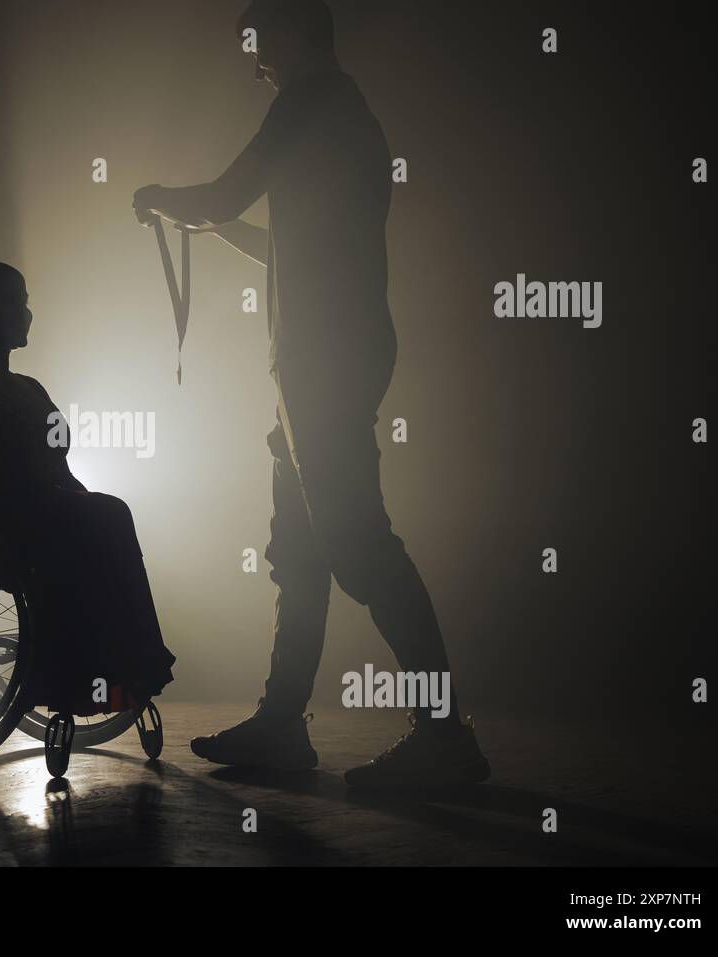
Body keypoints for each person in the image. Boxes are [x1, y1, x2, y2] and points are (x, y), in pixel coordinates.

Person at [132, 0, 488, 787]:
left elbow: (229, 193)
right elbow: (284, 241)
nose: (254, 63)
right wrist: (214, 225)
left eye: (259, 44)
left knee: (359, 544)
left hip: (322, 364)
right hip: (328, 359)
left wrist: (161, 196)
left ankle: (442, 732)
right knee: (301, 551)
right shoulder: (344, 114)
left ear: (295, 34)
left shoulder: (311, 101)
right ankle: (283, 724)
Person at [0, 260, 175, 714]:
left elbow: (59, 469)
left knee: (105, 514)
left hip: (44, 514)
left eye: (26, 302)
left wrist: (83, 499)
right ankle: (90, 677)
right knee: (100, 519)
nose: (25, 313)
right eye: (13, 301)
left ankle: (125, 669)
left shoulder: (29, 388)